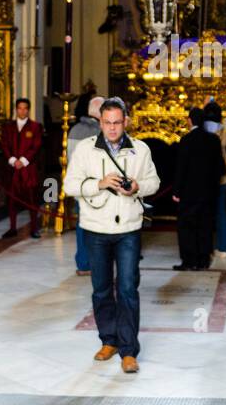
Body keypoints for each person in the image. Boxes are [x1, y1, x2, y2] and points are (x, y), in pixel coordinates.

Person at [63, 97, 160, 374]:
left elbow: (155, 182)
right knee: (102, 288)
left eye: (118, 122)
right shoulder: (85, 149)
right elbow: (70, 185)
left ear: (126, 121)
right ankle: (109, 340)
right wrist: (100, 183)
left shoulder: (140, 150)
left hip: (128, 228)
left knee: (128, 289)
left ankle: (129, 351)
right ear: (100, 122)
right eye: (107, 123)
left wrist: (138, 186)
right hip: (96, 228)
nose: (113, 128)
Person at [172, 106, 223, 270]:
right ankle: (203, 260)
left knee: (187, 226)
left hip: (189, 193)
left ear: (189, 120)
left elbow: (181, 168)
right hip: (208, 192)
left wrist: (176, 191)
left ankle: (188, 261)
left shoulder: (186, 140)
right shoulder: (214, 140)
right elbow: (219, 168)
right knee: (206, 225)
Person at [66, 92, 104, 275]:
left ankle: (83, 264)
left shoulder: (74, 130)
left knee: (82, 225)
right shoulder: (101, 131)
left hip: (80, 185)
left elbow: (70, 159)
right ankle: (98, 263)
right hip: (98, 186)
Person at [1, 97, 44, 239]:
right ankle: (12, 228)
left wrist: (24, 160)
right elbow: (5, 145)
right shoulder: (8, 127)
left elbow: (36, 146)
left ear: (28, 110)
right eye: (20, 108)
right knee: (12, 199)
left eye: (25, 108)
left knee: (32, 199)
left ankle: (34, 228)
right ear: (16, 109)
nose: (22, 111)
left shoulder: (36, 127)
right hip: (13, 169)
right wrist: (13, 160)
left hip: (28, 169)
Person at [202, 100, 226, 258]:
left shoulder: (201, 129)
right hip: (223, 171)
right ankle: (223, 248)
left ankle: (206, 248)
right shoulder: (223, 129)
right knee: (222, 211)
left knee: (206, 212)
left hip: (205, 172)